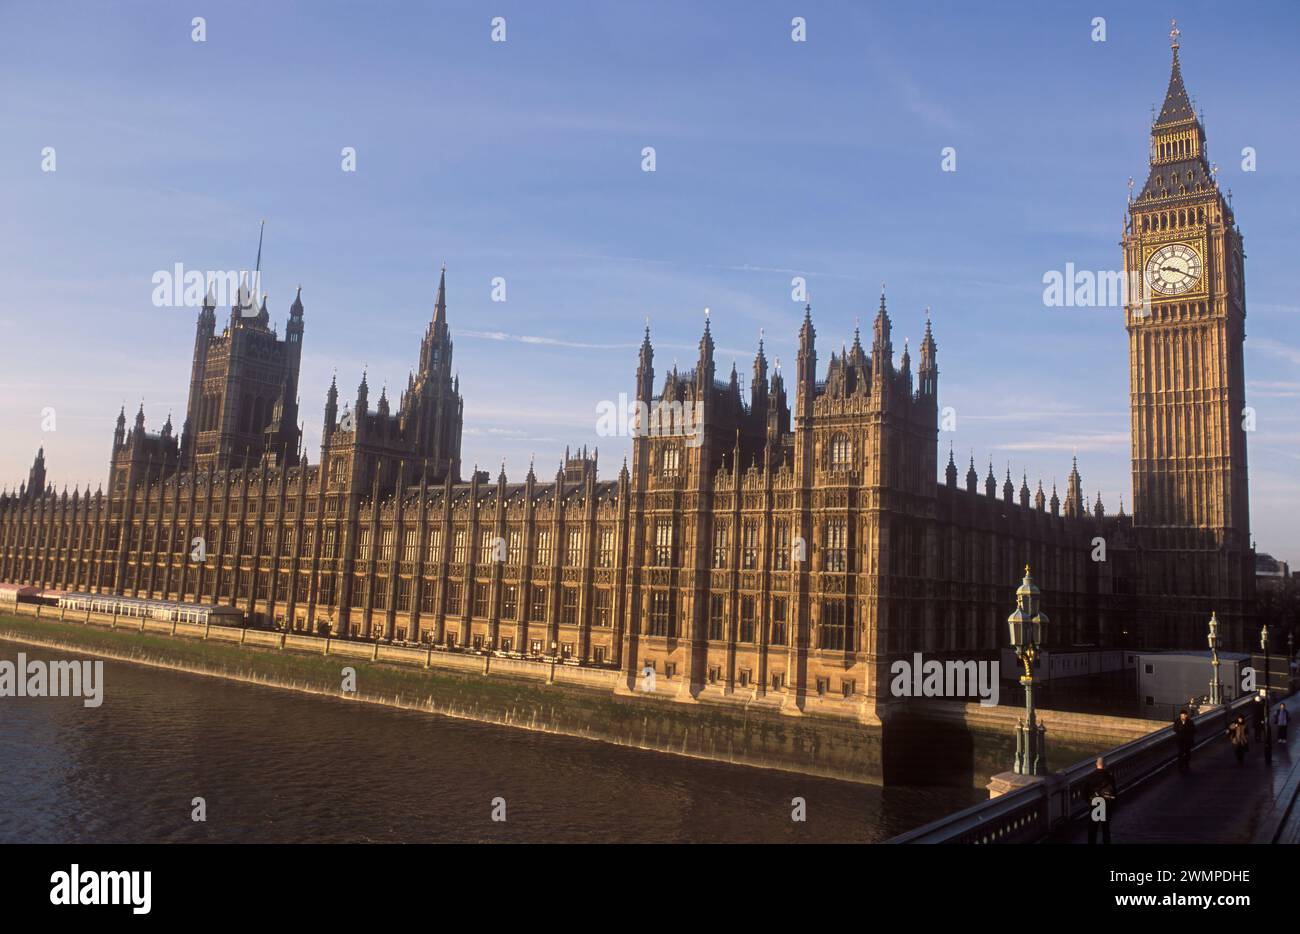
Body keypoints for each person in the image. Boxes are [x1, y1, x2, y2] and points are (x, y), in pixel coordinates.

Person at [1086, 756, 1117, 844]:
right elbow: (1114, 793)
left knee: (1092, 830)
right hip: (1106, 805)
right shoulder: (1109, 777)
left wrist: (1089, 802)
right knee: (1105, 829)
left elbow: (1084, 792)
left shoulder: (1090, 776)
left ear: (1096, 764)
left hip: (1095, 805)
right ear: (1106, 765)